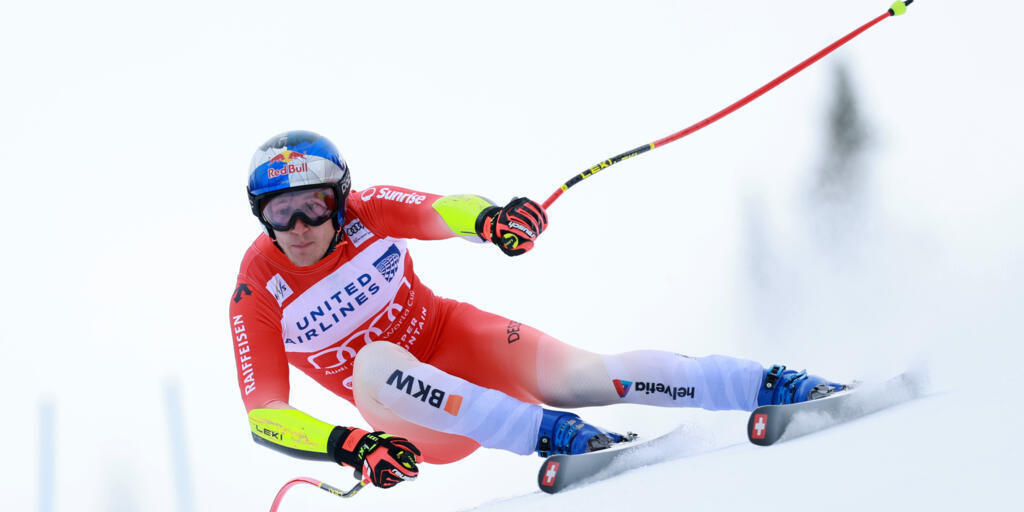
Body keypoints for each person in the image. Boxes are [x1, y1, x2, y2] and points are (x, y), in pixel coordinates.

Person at [231, 130, 844, 489]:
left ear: (339, 199)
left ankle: (767, 384)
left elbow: (443, 210)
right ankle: (545, 433)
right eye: (280, 214)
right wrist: (351, 446)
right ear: (263, 218)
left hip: (457, 341)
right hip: (421, 422)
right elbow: (265, 416)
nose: (300, 227)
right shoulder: (257, 290)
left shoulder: (369, 210)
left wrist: (492, 221)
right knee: (374, 361)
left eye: (312, 205)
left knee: (585, 374)